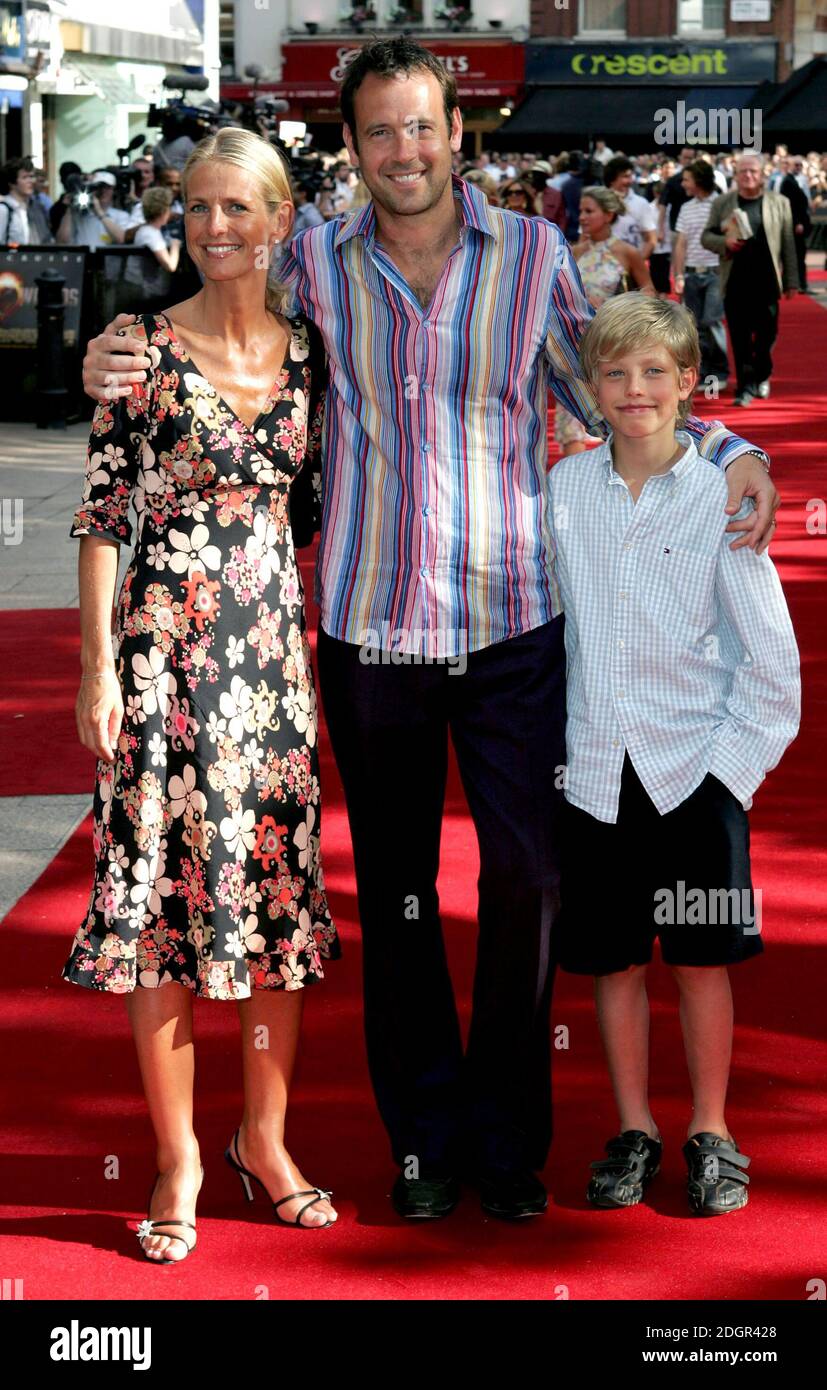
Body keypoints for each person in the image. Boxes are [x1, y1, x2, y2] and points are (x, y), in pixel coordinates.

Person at [80, 37, 778, 1227]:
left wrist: (729, 448)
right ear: (349, 149)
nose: (402, 152)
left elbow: (615, 387)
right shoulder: (310, 260)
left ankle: (506, 1140)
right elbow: (222, 298)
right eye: (377, 133)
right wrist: (123, 344)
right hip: (369, 634)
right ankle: (421, 1142)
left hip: (512, 628)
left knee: (525, 885)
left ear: (457, 134)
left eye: (420, 128)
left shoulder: (538, 259)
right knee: (397, 900)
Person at [65, 126, 340, 1263]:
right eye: (195, 208)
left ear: (281, 221)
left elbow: (311, 508)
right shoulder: (137, 349)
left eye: (238, 208)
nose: (214, 227)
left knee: (274, 903)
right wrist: (93, 668)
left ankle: (262, 1142)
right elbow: (99, 515)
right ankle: (175, 1153)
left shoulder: (312, 352)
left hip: (272, 668)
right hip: (161, 661)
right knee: (161, 910)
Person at [549, 293, 800, 1215]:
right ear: (590, 387)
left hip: (692, 776)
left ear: (689, 384)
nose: (632, 389)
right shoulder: (563, 493)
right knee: (613, 963)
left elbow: (771, 668)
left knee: (700, 960)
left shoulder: (720, 498)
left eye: (654, 371)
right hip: (593, 779)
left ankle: (709, 1126)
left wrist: (723, 780)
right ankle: (634, 1127)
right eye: (612, 373)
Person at [555, 186, 654, 457]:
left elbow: (649, 292)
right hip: (573, 347)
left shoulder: (626, 252)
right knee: (571, 420)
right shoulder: (572, 252)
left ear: (608, 215)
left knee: (613, 416)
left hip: (613, 346)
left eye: (590, 211)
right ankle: (575, 493)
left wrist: (619, 308)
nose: (583, 217)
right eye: (581, 211)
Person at [701, 151, 798, 406]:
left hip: (767, 282)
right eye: (743, 171)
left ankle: (762, 374)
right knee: (740, 337)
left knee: (767, 335)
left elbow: (788, 243)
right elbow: (705, 237)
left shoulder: (779, 203)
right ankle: (745, 387)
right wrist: (725, 242)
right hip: (735, 282)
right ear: (736, 174)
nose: (748, 176)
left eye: (753, 171)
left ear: (763, 174)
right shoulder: (722, 203)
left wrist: (792, 280)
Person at [672, 158, 729, 389]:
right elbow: (681, 243)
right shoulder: (686, 207)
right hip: (692, 272)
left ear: (698, 180)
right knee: (695, 327)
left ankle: (720, 373)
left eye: (686, 179)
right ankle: (703, 373)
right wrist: (678, 275)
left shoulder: (722, 204)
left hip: (717, 272)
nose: (683, 183)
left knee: (712, 322)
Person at [123, 185, 181, 310]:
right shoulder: (150, 233)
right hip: (144, 295)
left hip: (148, 292)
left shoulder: (152, 231)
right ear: (163, 210)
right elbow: (170, 265)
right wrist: (176, 245)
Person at [604, 156, 657, 259]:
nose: (630, 181)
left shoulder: (641, 204)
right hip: (600, 269)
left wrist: (636, 265)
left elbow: (651, 239)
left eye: (630, 176)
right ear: (612, 179)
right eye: (625, 176)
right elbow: (584, 237)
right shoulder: (596, 201)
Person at [0, 156, 52, 244]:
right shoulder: (4, 209)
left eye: (31, 176)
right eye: (25, 177)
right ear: (12, 183)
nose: (30, 181)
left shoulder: (37, 207)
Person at [779, 161, 811, 293]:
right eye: (796, 165)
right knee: (795, 255)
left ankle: (795, 284)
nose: (798, 167)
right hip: (794, 224)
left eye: (800, 165)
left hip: (797, 223)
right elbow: (789, 205)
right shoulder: (788, 182)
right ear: (789, 166)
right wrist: (797, 222)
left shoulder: (797, 180)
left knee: (796, 255)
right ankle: (799, 284)